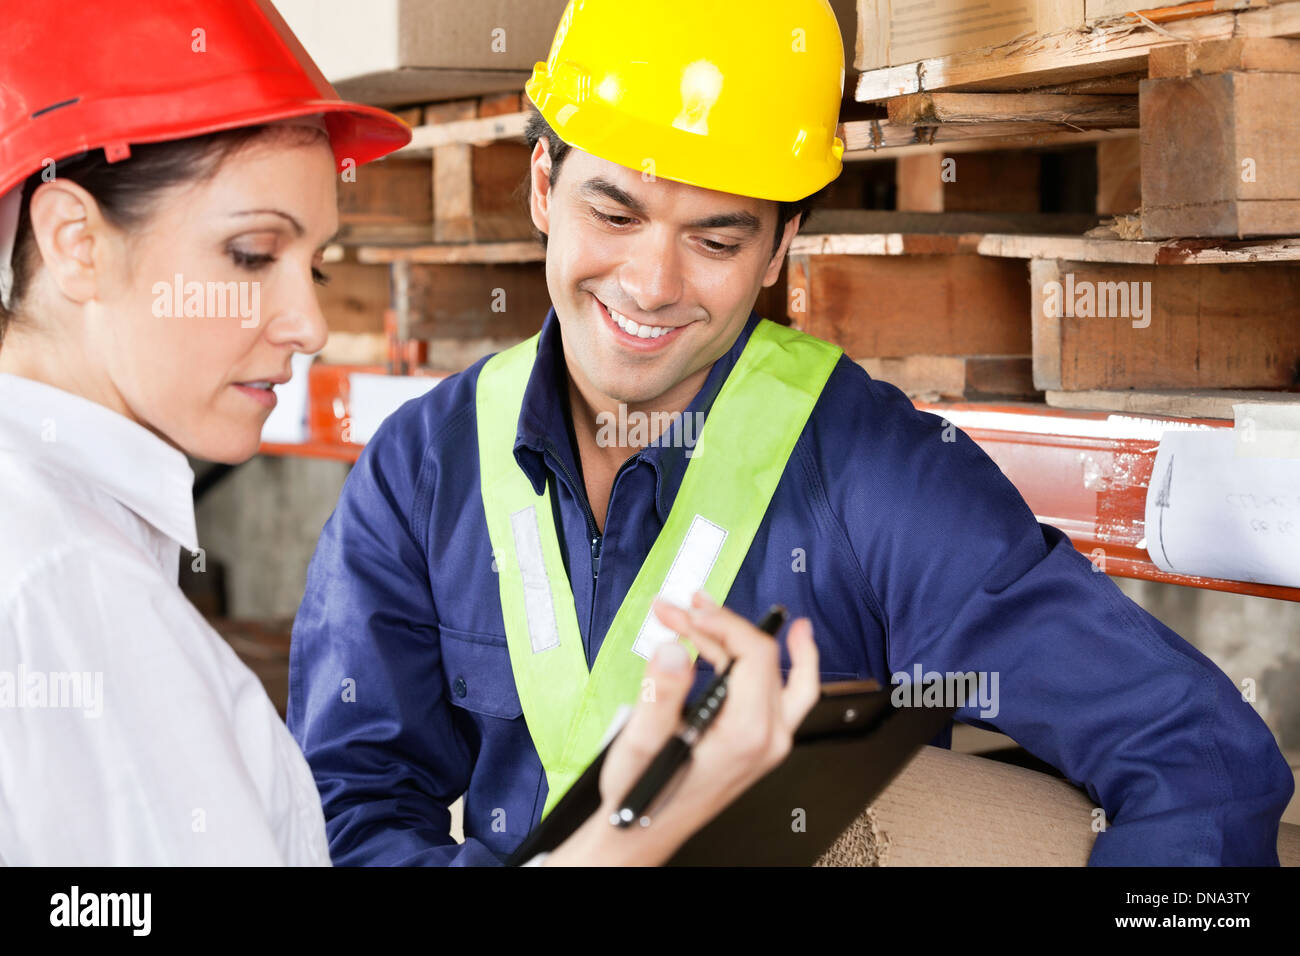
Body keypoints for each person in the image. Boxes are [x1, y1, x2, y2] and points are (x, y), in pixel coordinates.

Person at [290, 0, 1294, 867]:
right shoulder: (422, 471)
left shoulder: (871, 474)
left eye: (716, 238)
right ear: (544, 185)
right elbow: (343, 811)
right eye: (617, 213)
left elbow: (1196, 756)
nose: (651, 285)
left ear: (782, 246)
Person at [0, 0, 789, 867]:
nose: (309, 323)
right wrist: (635, 841)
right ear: (75, 241)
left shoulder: (65, 551)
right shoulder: (60, 588)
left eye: (318, 266)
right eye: (254, 255)